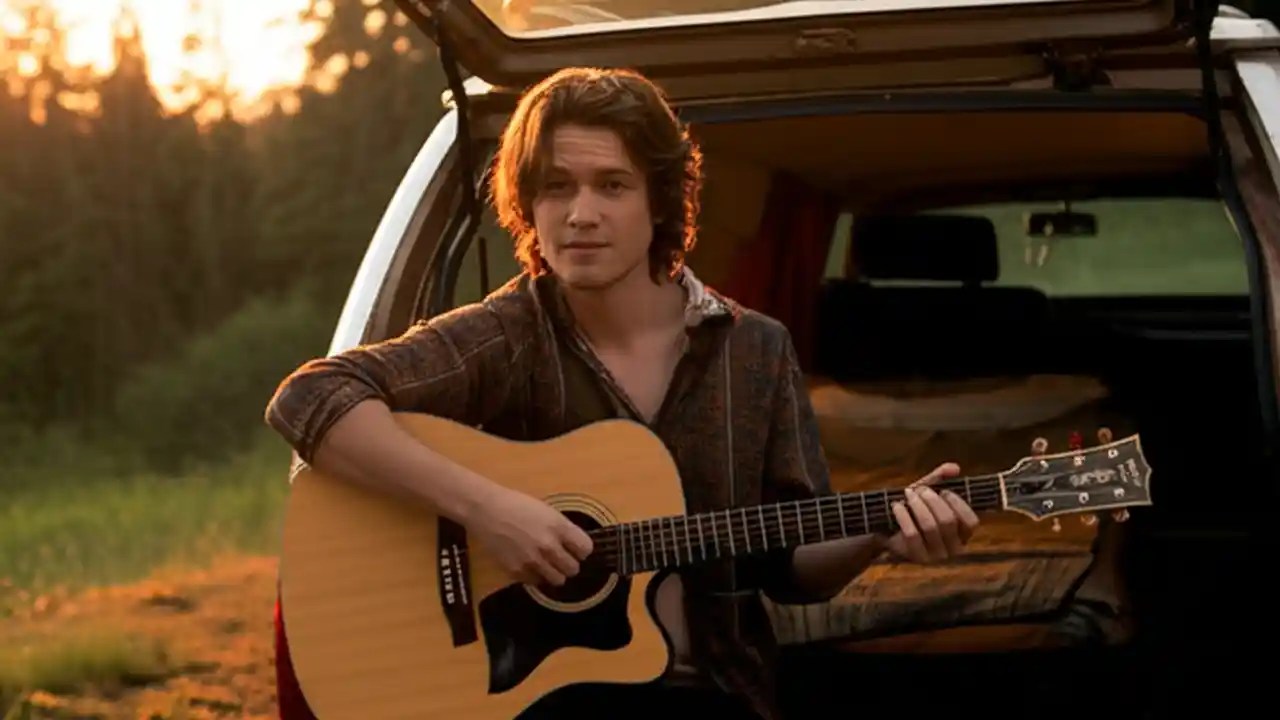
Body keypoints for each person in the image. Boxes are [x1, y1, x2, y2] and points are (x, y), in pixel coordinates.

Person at [263, 66, 981, 720]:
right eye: (555, 186)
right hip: (527, 699)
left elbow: (792, 569)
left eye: (611, 185)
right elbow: (311, 398)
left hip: (714, 692)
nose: (580, 213)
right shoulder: (507, 334)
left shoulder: (755, 350)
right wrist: (493, 511)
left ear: (660, 203)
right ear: (527, 204)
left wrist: (884, 532)